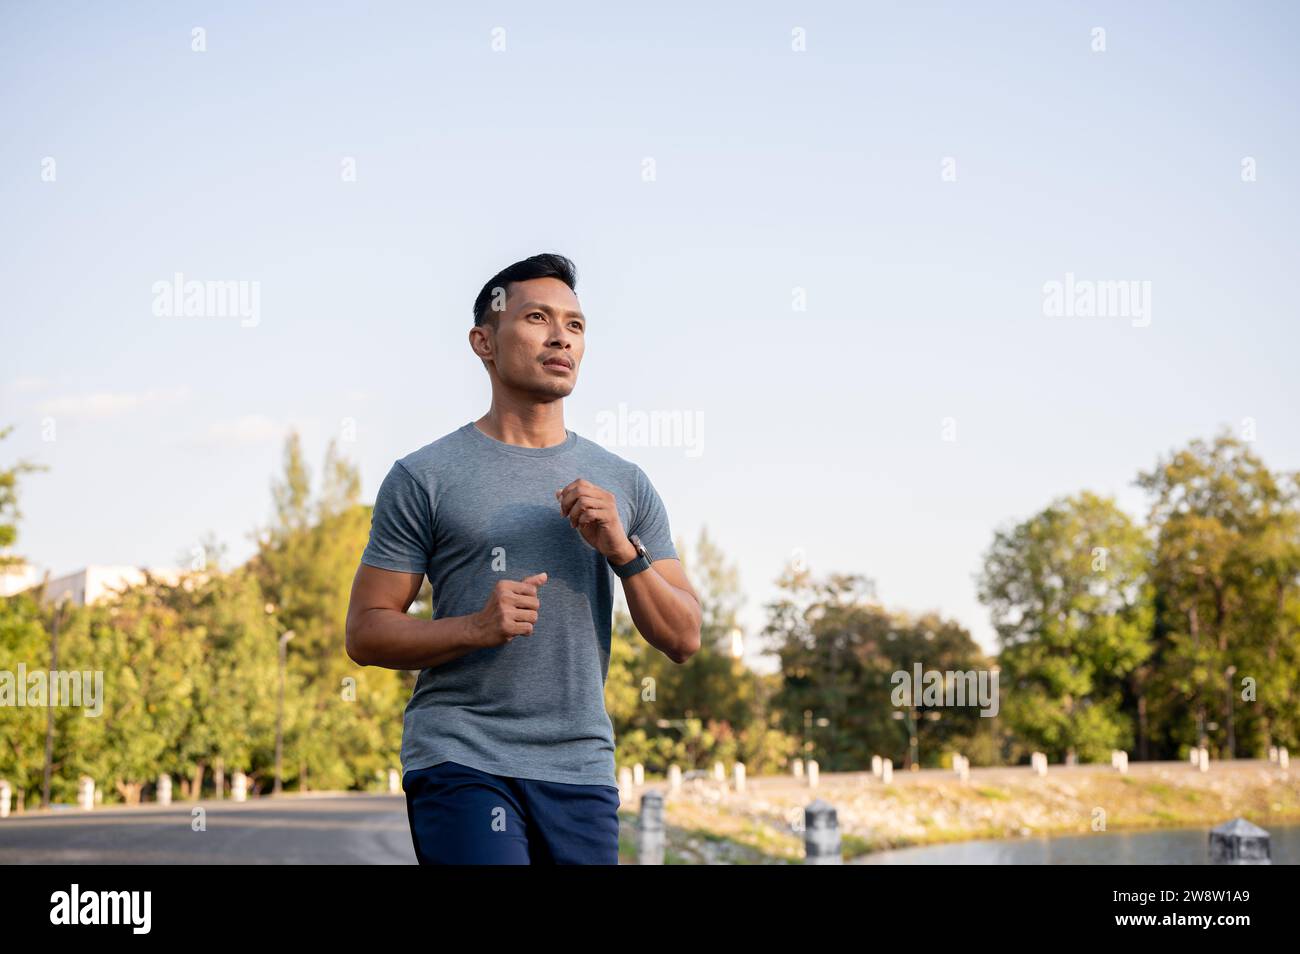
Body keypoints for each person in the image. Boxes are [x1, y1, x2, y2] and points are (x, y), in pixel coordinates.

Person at [344, 252, 702, 864]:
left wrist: (624, 551)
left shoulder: (625, 484)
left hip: (580, 764)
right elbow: (366, 631)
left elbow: (684, 636)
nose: (561, 335)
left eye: (576, 324)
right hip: (461, 754)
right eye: (537, 317)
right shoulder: (423, 476)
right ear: (484, 341)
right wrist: (474, 629)